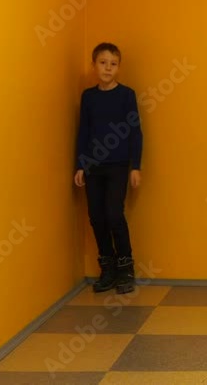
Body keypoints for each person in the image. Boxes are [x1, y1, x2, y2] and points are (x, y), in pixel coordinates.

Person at [73, 42, 143, 294]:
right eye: (103, 63)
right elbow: (83, 131)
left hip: (118, 165)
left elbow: (135, 131)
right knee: (96, 217)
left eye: (113, 64)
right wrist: (80, 165)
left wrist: (135, 166)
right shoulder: (88, 96)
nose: (107, 68)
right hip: (93, 166)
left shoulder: (126, 95)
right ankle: (108, 267)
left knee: (114, 214)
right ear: (94, 65)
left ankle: (126, 268)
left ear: (118, 68)